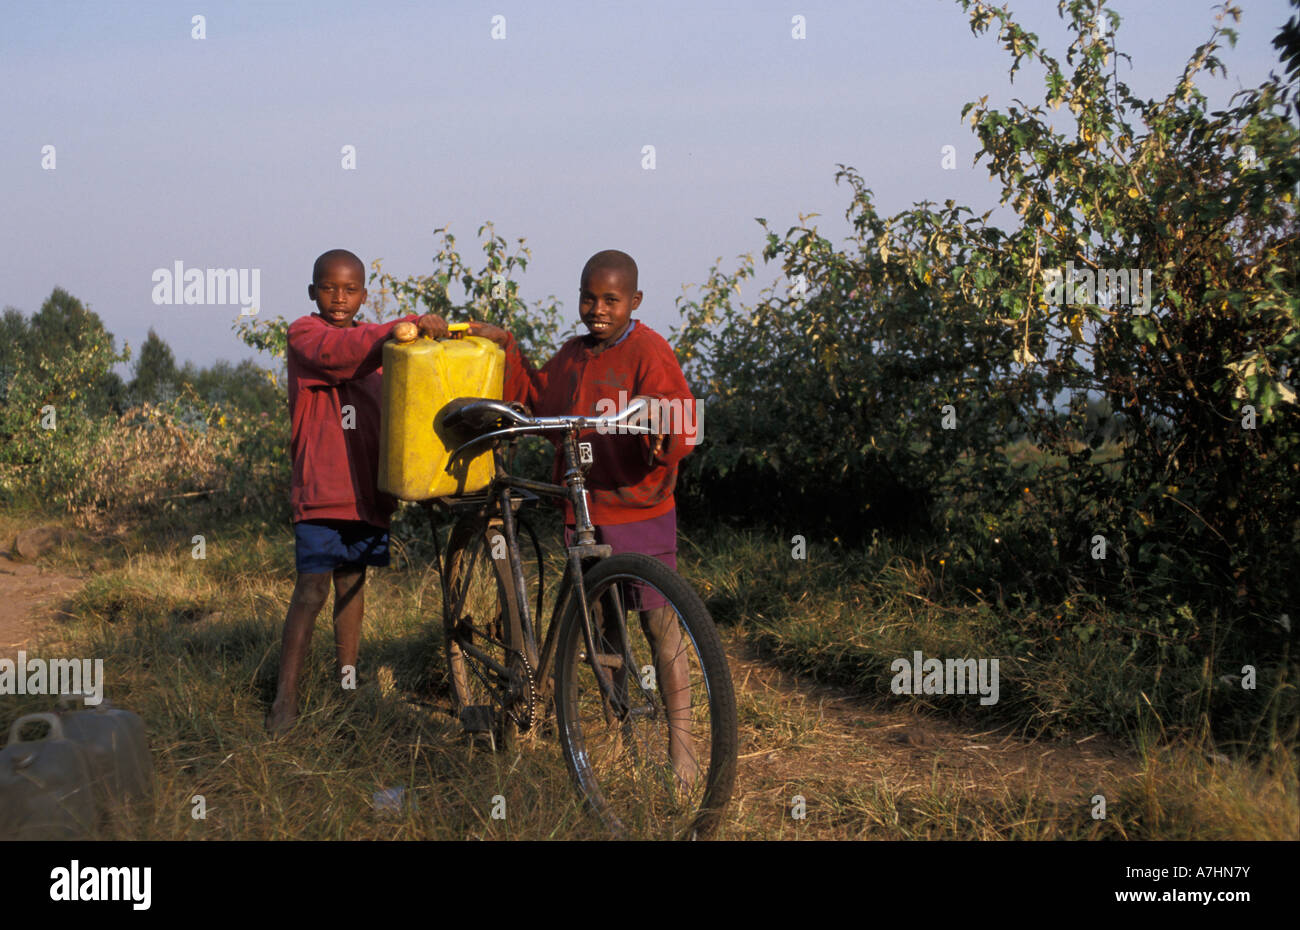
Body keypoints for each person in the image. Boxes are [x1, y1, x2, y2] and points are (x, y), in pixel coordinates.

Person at [468, 249, 702, 784]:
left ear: (634, 302)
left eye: (611, 300)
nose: (597, 309)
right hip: (585, 510)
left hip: (639, 506)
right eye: (588, 297)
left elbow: (681, 413)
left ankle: (682, 750)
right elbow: (538, 401)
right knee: (603, 631)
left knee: (660, 623)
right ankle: (620, 732)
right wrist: (506, 346)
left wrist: (664, 429)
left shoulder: (649, 351)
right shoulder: (573, 355)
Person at [266, 248, 447, 735]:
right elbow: (340, 356)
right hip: (323, 489)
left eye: (349, 290)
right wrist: (401, 324)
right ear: (312, 292)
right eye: (329, 288)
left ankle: (346, 686)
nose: (339, 298)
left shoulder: (383, 355)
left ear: (364, 296)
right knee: (311, 589)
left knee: (353, 584)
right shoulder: (306, 336)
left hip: (366, 491)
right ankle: (285, 701)